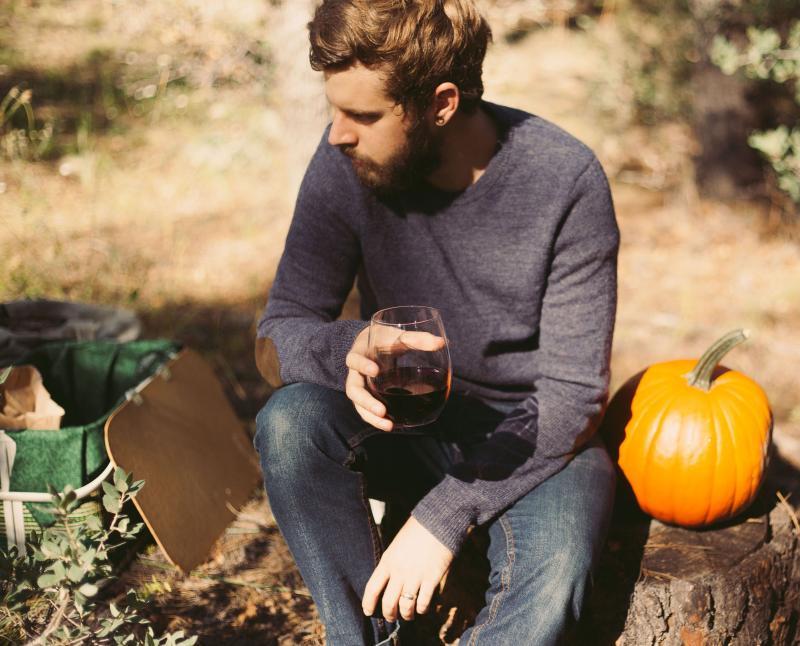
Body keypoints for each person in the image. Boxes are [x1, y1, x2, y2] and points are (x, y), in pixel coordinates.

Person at [252, 1, 620, 644]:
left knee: (559, 567)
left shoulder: (564, 179)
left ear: (441, 104)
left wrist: (442, 518)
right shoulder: (345, 160)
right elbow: (274, 334)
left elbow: (573, 396)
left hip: (528, 441)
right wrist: (347, 347)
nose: (339, 133)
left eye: (364, 115)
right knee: (288, 424)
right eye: (335, 109)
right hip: (403, 425)